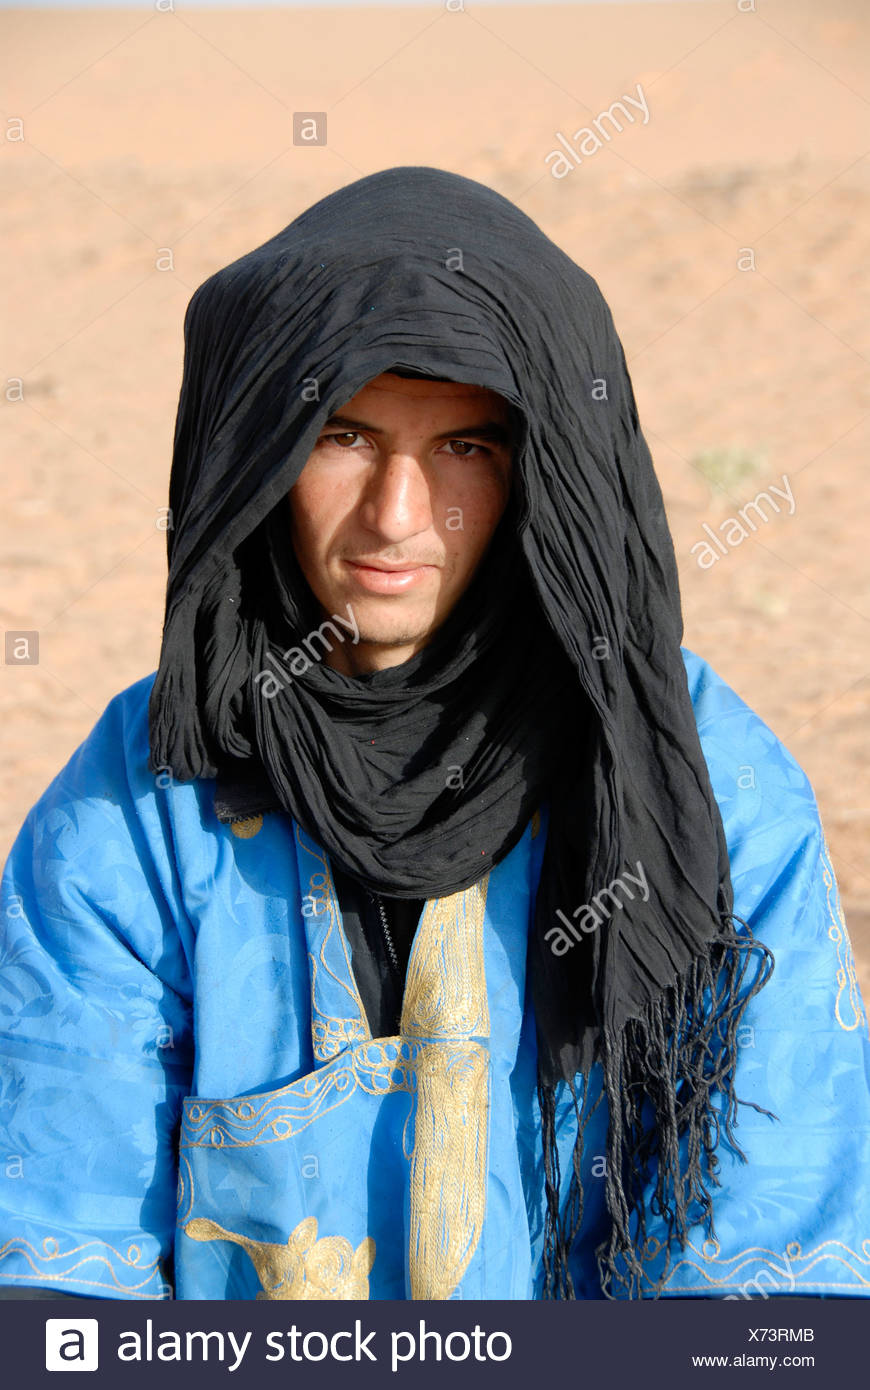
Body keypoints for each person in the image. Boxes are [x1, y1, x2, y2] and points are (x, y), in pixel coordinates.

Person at [1, 166, 868, 1303]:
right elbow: (59, 1264)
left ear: (548, 476)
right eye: (344, 436)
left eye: (467, 448)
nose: (398, 516)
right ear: (255, 452)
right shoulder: (146, 798)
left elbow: (779, 1274)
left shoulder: (698, 781)